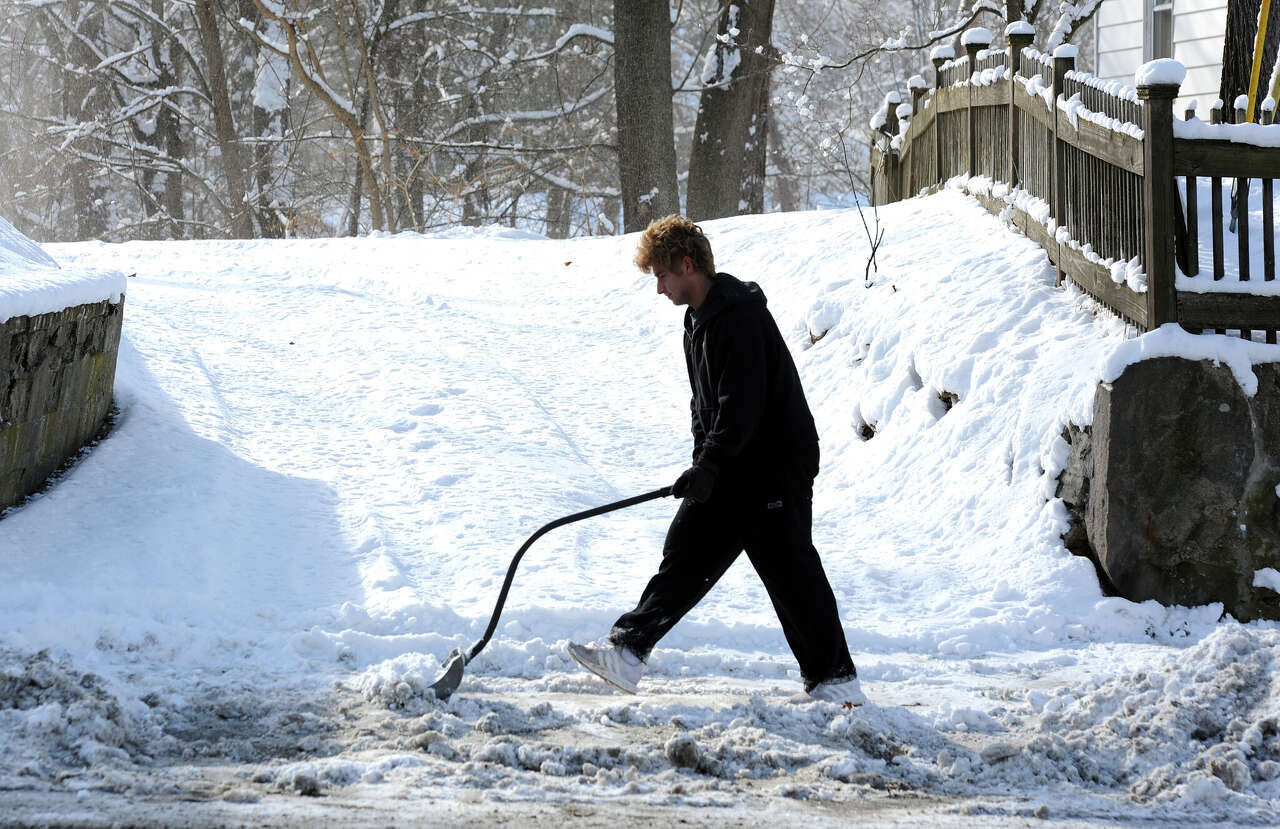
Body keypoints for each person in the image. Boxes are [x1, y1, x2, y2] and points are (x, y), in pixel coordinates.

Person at [567, 215, 864, 705]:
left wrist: (709, 465)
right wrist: (701, 461)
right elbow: (705, 406)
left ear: (688, 265)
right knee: (689, 548)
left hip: (773, 466)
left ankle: (836, 683)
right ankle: (628, 650)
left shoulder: (739, 317)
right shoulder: (698, 321)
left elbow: (741, 405)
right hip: (737, 463)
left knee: (791, 573)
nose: (659, 288)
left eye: (662, 276)